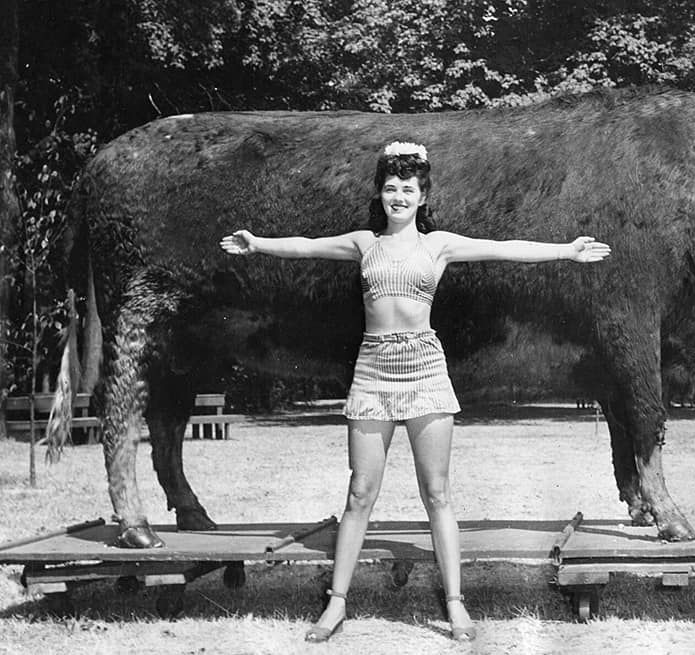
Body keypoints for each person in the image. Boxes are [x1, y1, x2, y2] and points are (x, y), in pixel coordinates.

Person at [220, 141, 611, 643]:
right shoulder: (364, 243)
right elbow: (308, 243)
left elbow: (506, 249)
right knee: (360, 492)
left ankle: (454, 604)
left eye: (408, 189)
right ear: (380, 195)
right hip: (373, 371)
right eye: (390, 188)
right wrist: (258, 243)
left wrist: (567, 250)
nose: (398, 197)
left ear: (422, 197)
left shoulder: (439, 245)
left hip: (425, 369)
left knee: (437, 493)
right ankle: (335, 604)